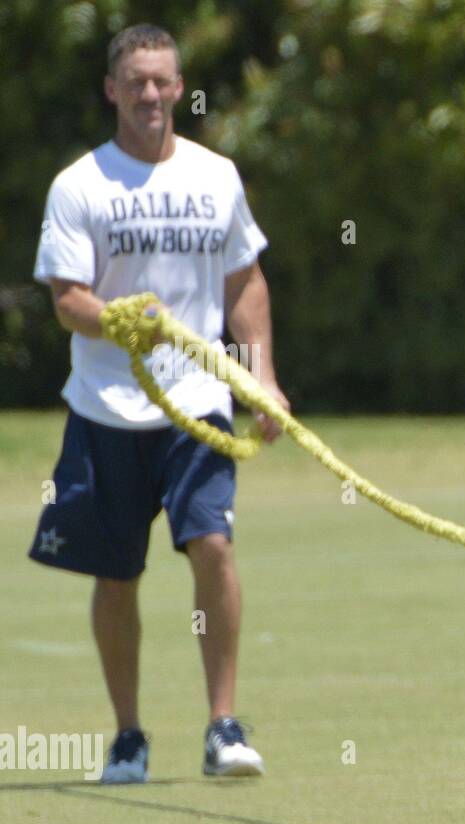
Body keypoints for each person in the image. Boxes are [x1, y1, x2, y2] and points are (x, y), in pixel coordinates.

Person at [30, 24, 291, 783]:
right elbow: (65, 298)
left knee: (212, 546)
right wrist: (114, 319)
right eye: (135, 81)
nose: (150, 93)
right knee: (118, 574)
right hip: (107, 407)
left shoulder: (216, 177)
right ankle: (129, 738)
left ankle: (223, 727)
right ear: (112, 89)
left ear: (180, 88)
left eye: (163, 81)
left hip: (198, 404)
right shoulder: (81, 184)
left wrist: (260, 378)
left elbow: (245, 282)